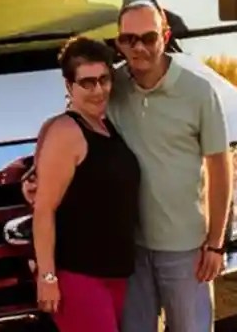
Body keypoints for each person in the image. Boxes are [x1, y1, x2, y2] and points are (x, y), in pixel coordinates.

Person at [25, 0, 233, 332]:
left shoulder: (199, 93)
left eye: (148, 38)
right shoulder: (113, 83)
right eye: (128, 39)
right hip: (130, 252)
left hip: (184, 249)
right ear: (119, 42)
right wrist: (37, 171)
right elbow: (71, 125)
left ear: (165, 35)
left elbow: (220, 169)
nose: (138, 47)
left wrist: (216, 242)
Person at [30, 36, 142, 331]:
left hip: (115, 275)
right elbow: (43, 210)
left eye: (104, 80)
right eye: (87, 83)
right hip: (79, 277)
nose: (98, 90)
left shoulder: (107, 126)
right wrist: (48, 277)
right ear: (69, 86)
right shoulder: (66, 131)